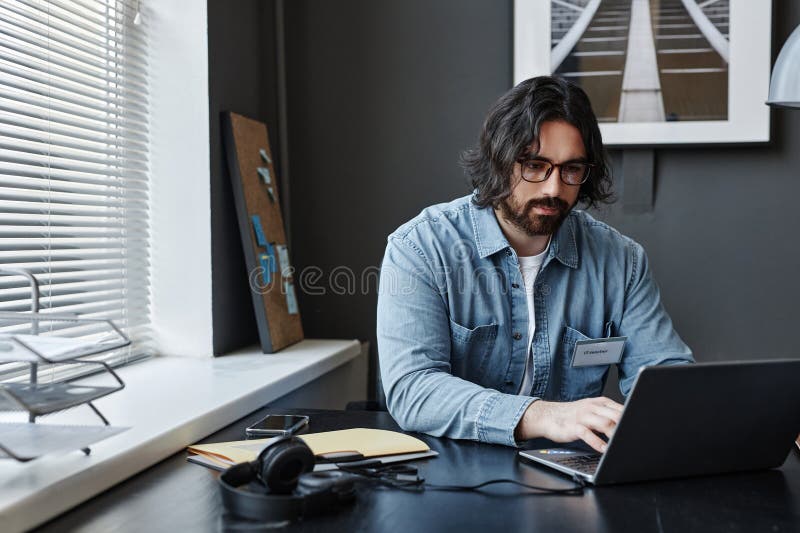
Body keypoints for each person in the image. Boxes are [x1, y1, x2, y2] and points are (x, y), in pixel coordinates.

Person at [376, 76, 693, 452]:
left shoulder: (621, 261)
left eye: (571, 169)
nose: (554, 188)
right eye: (534, 165)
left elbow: (667, 378)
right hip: (450, 473)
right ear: (499, 160)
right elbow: (413, 390)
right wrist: (542, 416)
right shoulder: (421, 248)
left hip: (566, 477)